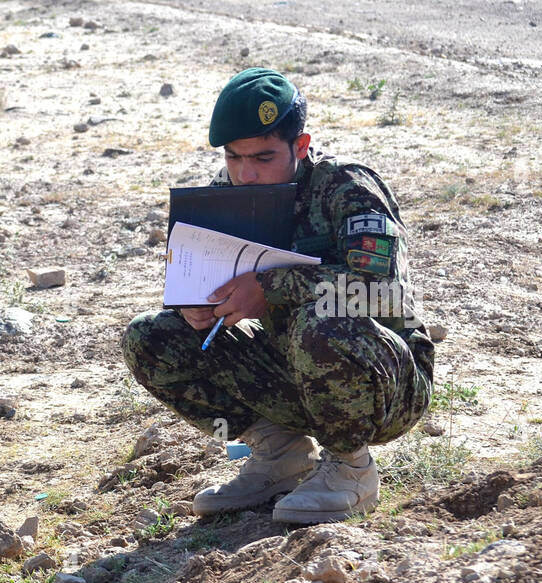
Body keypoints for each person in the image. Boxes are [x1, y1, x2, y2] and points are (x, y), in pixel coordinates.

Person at [122, 68, 433, 523]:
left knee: (320, 322)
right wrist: (199, 304)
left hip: (386, 380)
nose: (246, 174)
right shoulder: (229, 195)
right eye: (234, 157)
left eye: (264, 157)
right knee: (151, 338)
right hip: (294, 368)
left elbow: (380, 290)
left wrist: (271, 288)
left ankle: (352, 470)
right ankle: (280, 455)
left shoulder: (346, 187)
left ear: (300, 146)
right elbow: (204, 271)